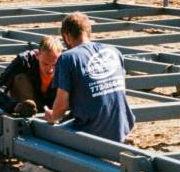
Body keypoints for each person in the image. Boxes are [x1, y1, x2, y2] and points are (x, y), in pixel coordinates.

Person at [45, 11, 137, 143]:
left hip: (92, 131)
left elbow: (61, 106)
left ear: (67, 36)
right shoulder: (114, 51)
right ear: (89, 32)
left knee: (45, 136)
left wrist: (53, 116)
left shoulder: (67, 58)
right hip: (123, 126)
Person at [0, 35, 62, 117]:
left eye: (55, 64)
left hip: (54, 109)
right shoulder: (24, 61)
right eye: (45, 64)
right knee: (20, 78)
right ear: (37, 55)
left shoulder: (67, 62)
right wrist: (15, 106)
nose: (50, 69)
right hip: (27, 107)